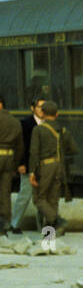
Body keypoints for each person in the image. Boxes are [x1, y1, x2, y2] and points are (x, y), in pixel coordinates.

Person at [26, 101, 77, 234]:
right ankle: (49, 238)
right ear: (57, 114)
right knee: (53, 200)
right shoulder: (63, 130)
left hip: (45, 167)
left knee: (39, 199)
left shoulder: (38, 130)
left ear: (42, 113)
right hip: (59, 167)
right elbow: (74, 149)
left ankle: (56, 220)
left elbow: (34, 152)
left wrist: (31, 172)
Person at [7, 97, 43, 234]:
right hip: (28, 165)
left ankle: (43, 227)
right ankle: (14, 224)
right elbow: (21, 145)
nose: (41, 110)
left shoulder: (49, 123)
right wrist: (21, 163)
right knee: (24, 195)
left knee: (43, 198)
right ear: (32, 108)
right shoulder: (25, 124)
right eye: (39, 107)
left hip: (45, 167)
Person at [0, 96, 23, 234]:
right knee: (5, 193)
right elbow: (20, 146)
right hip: (9, 157)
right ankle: (4, 224)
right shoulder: (15, 121)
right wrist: (15, 164)